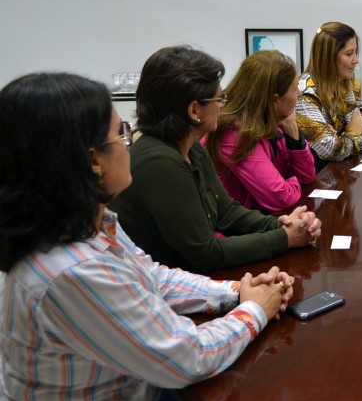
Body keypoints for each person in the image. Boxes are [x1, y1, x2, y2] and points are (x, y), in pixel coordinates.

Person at [0, 72, 295, 401]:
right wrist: (255, 309)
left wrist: (237, 291)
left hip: (140, 388)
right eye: (121, 134)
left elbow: (153, 278)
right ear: (93, 160)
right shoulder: (73, 269)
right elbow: (188, 357)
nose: (130, 145)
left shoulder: (89, 224)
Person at [109, 46, 321, 273]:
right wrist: (284, 238)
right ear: (194, 110)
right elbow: (205, 252)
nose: (222, 104)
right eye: (218, 98)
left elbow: (226, 211)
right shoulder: (160, 163)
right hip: (162, 282)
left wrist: (280, 224)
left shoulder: (190, 147)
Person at [205, 50, 316, 213]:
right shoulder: (233, 134)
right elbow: (281, 197)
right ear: (275, 100)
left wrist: (294, 139)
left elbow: (307, 177)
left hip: (259, 217)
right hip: (239, 224)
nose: (299, 93)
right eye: (294, 89)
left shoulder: (271, 121)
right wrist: (291, 180)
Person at [295, 22, 362, 170]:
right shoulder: (304, 95)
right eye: (349, 54)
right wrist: (351, 133)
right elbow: (331, 151)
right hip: (316, 175)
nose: (356, 60)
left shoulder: (343, 83)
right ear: (328, 58)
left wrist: (346, 136)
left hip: (338, 170)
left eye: (355, 52)